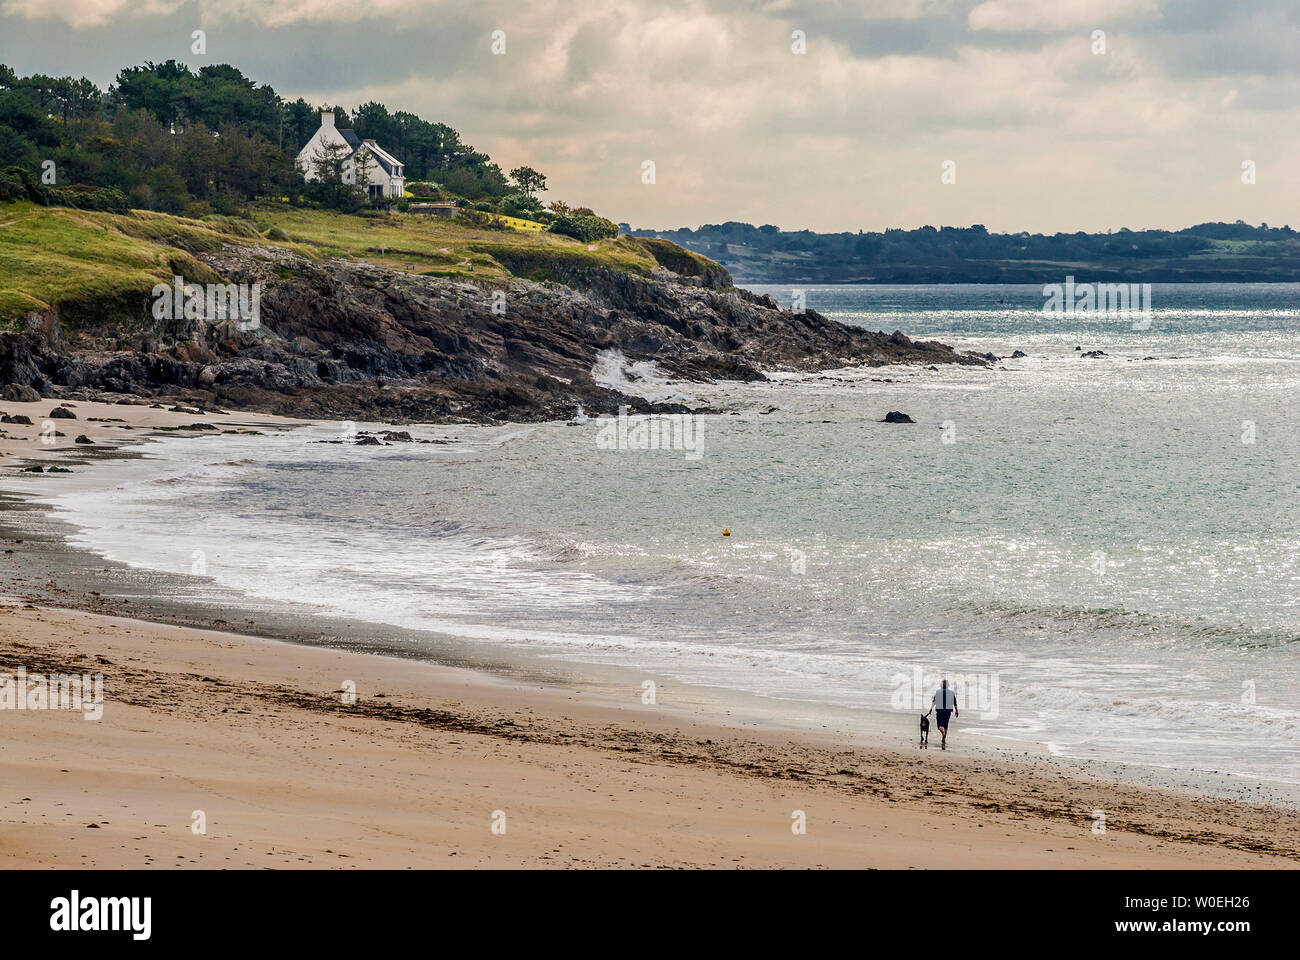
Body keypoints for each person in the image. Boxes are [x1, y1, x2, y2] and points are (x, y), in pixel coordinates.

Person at [926, 679, 959, 750]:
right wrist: (957, 711)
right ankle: (944, 739)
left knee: (939, 726)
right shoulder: (952, 693)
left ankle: (943, 734)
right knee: (945, 725)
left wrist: (931, 708)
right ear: (948, 685)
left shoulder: (938, 692)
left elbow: (934, 701)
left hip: (940, 710)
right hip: (948, 711)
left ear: (941, 685)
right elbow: (954, 703)